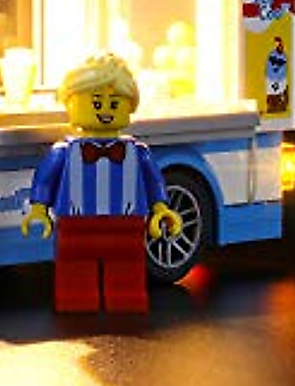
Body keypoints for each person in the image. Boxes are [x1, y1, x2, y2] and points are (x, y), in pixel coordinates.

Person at [20, 52, 182, 312]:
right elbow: (45, 180)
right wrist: (39, 209)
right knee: (75, 267)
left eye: (114, 103)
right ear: (70, 103)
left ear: (130, 107)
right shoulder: (64, 151)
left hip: (127, 224)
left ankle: (126, 296)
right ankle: (75, 297)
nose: (105, 110)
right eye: (96, 102)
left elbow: (154, 183)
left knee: (127, 265)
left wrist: (161, 209)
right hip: (75, 225)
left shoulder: (137, 152)